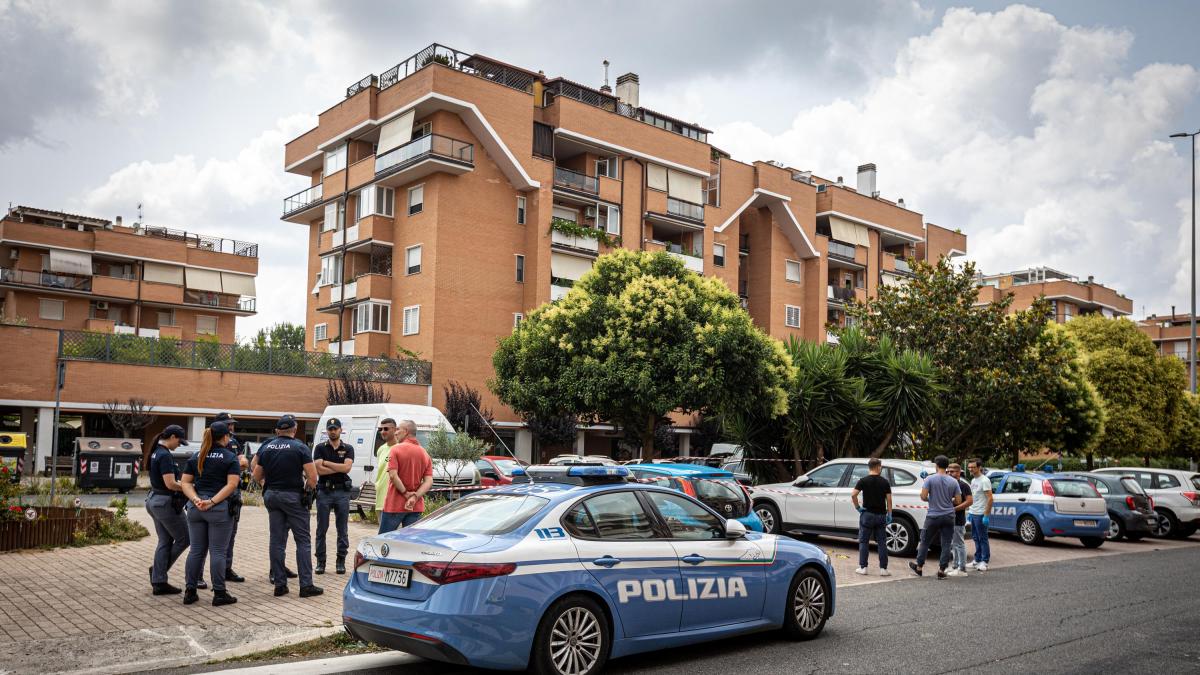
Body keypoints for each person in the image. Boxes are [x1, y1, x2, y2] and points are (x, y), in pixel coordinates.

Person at [253, 415, 322, 598]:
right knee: (303, 540)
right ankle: (306, 585)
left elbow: (256, 475)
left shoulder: (267, 447)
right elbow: (313, 477)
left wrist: (268, 486)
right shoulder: (300, 447)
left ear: (277, 430)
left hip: (272, 496)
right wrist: (307, 492)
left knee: (276, 540)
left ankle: (280, 584)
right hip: (293, 497)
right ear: (295, 429)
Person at [179, 421, 241, 606]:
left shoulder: (197, 456)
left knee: (196, 550)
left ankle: (190, 591)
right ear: (225, 437)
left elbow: (185, 482)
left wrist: (196, 499)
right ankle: (220, 593)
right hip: (218, 509)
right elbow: (232, 485)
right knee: (218, 552)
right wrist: (212, 501)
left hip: (195, 508)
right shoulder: (230, 457)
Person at [146, 424, 190, 595]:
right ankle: (158, 573)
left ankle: (159, 581)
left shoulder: (156, 451)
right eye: (179, 441)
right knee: (185, 538)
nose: (179, 445)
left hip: (154, 500)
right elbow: (170, 483)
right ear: (172, 437)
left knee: (165, 540)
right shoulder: (164, 455)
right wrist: (189, 487)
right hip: (165, 503)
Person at [909, 455, 961, 580]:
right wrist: (948, 500)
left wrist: (932, 499)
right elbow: (958, 501)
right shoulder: (954, 481)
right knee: (946, 543)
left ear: (936, 466)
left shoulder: (930, 479)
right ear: (947, 466)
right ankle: (942, 570)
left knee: (925, 541)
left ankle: (919, 567)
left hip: (933, 516)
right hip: (949, 516)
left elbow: (923, 496)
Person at [313, 418, 354, 575]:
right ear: (327, 431)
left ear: (340, 430)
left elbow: (347, 468)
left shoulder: (348, 448)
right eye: (330, 429)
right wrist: (339, 467)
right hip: (324, 492)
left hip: (342, 492)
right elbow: (319, 470)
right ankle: (321, 562)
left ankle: (340, 561)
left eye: (335, 428)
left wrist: (327, 463)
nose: (333, 431)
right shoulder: (320, 448)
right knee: (321, 529)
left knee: (342, 529)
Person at [380, 420, 433, 533]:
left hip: (394, 505)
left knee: (384, 539)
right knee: (409, 540)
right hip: (415, 506)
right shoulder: (425, 453)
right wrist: (415, 497)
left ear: (406, 431)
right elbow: (428, 481)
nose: (395, 432)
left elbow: (393, 475)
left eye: (398, 429)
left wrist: (405, 493)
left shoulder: (395, 449)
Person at [212, 412, 246, 584]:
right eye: (228, 424)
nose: (231, 426)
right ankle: (200, 576)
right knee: (205, 538)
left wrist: (230, 464)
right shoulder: (209, 443)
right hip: (216, 491)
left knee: (231, 533)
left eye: (232, 423)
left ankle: (226, 568)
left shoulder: (234, 442)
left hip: (232, 493)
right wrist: (232, 464)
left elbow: (244, 463)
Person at [850, 457, 892, 576]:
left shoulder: (863, 481)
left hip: (867, 515)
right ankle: (883, 569)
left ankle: (863, 568)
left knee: (864, 541)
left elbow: (853, 495)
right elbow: (889, 500)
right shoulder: (885, 482)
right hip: (881, 516)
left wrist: (858, 507)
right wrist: (890, 513)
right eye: (880, 467)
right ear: (878, 467)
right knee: (882, 542)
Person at [947, 463, 974, 577]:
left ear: (958, 472)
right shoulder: (948, 484)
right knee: (953, 544)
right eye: (948, 471)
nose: (949, 473)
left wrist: (955, 508)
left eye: (952, 471)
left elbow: (970, 501)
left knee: (959, 544)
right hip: (949, 518)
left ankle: (962, 569)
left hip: (958, 519)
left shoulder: (963, 485)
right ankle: (955, 566)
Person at [967, 459, 994, 572]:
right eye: (969, 467)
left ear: (979, 468)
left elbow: (990, 499)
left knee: (982, 538)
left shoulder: (984, 480)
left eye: (973, 467)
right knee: (975, 537)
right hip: (973, 513)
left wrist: (986, 515)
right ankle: (977, 559)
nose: (971, 469)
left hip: (981, 514)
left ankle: (985, 561)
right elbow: (974, 497)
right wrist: (970, 512)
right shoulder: (973, 480)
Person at [373, 418, 397, 514]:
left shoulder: (400, 448)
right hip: (380, 499)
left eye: (386, 429)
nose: (382, 432)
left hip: (394, 501)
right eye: (380, 429)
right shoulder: (381, 449)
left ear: (395, 430)